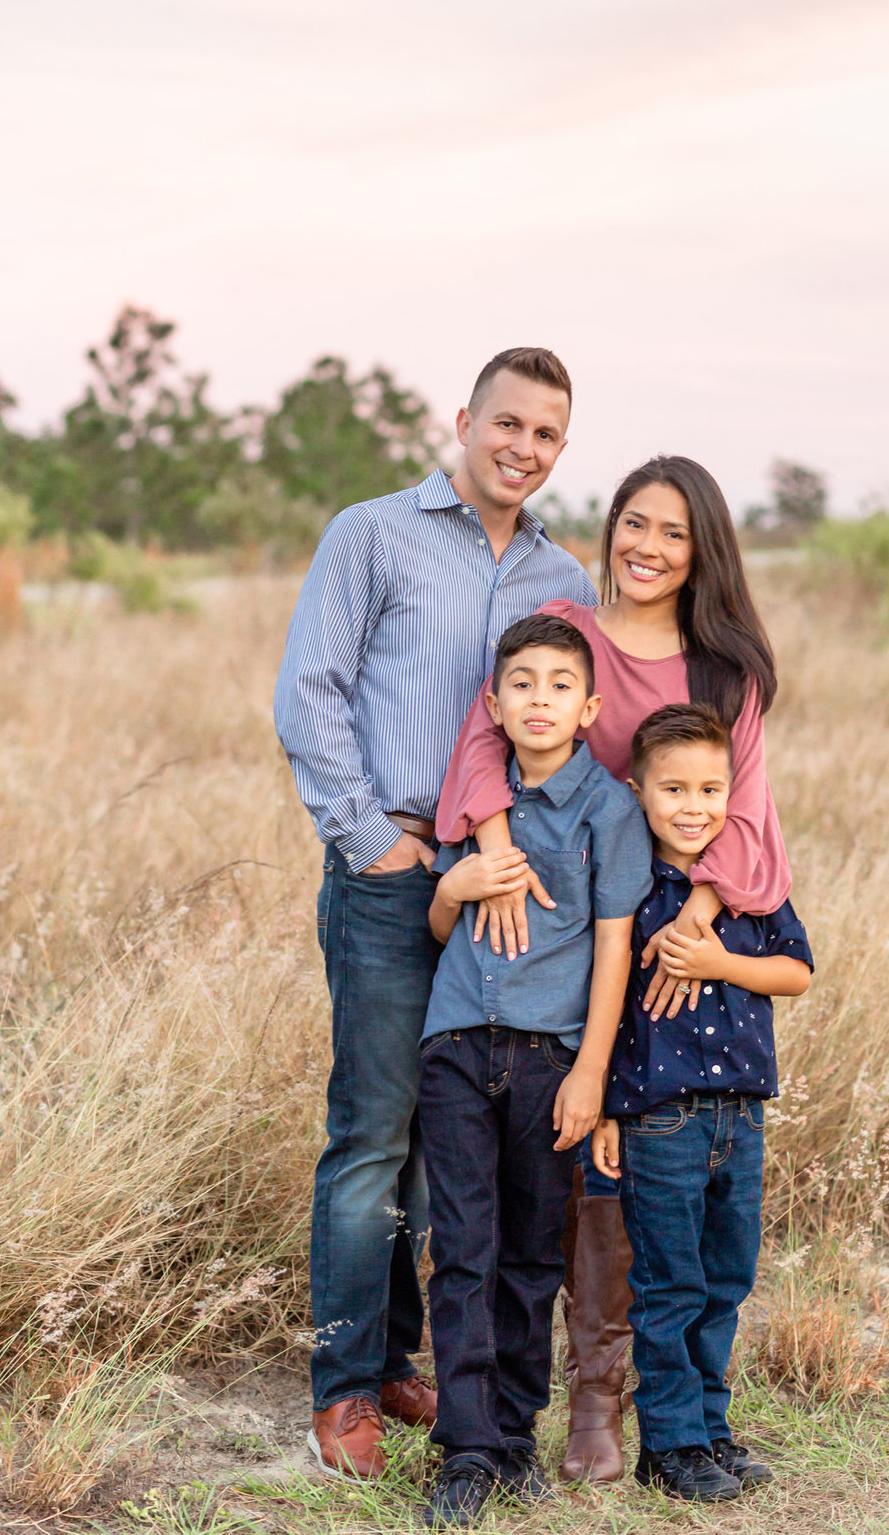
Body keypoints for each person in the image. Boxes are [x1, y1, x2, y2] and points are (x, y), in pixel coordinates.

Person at [273, 348, 598, 1480]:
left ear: (562, 449)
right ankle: (344, 1386)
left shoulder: (568, 580)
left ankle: (403, 1356)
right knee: (371, 1131)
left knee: (442, 1143)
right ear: (464, 420)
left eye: (546, 434)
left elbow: (571, 728)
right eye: (505, 422)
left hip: (503, 898)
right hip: (393, 871)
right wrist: (372, 838)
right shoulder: (372, 531)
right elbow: (308, 687)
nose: (522, 447)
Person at [435, 453, 791, 1480]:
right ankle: (570, 1403)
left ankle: (639, 1404)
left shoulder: (728, 669)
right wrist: (494, 859)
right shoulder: (565, 631)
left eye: (672, 532)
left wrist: (699, 925)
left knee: (659, 1176)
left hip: (674, 940)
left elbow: (749, 807)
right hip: (565, 934)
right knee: (583, 1167)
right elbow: (480, 743)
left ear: (701, 550)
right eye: (634, 523)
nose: (645, 546)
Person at [419, 614, 653, 1528]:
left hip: (549, 1058)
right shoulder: (479, 807)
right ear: (494, 703)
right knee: (464, 1251)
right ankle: (466, 1450)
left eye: (560, 684)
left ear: (591, 708)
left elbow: (613, 950)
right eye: (521, 683)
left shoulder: (611, 812)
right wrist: (450, 889)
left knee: (526, 1253)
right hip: (454, 1048)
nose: (539, 699)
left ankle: (512, 1433)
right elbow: (444, 932)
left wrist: (589, 1071)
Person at [592, 703, 813, 1502]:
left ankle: (711, 1429)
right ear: (636, 791)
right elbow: (610, 1005)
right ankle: (671, 1444)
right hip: (662, 1119)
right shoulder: (632, 891)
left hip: (743, 1115)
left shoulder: (748, 887)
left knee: (726, 1279)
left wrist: (721, 962)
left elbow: (796, 972)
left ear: (733, 792)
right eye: (674, 788)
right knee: (668, 1284)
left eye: (711, 789)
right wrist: (610, 1112)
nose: (694, 806)